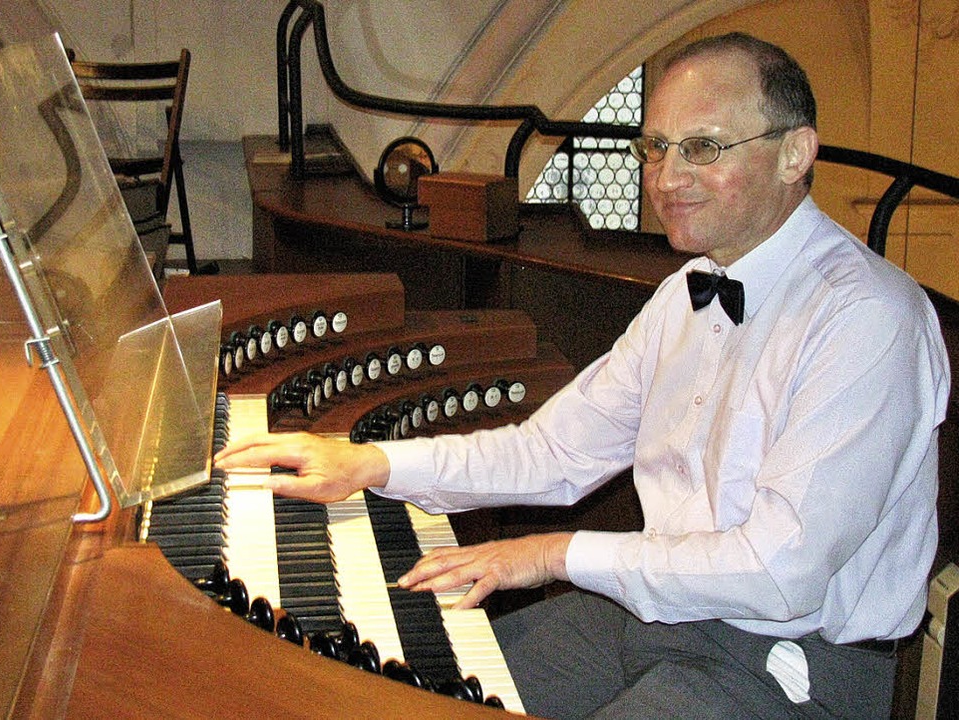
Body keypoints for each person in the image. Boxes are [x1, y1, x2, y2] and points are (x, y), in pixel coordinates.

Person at [214, 32, 951, 719]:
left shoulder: (866, 319)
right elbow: (553, 452)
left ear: (795, 154)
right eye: (655, 147)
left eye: (701, 147)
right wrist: (369, 461)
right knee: (411, 692)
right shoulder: (682, 297)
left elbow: (781, 570)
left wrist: (548, 554)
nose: (667, 177)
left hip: (793, 664)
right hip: (652, 614)